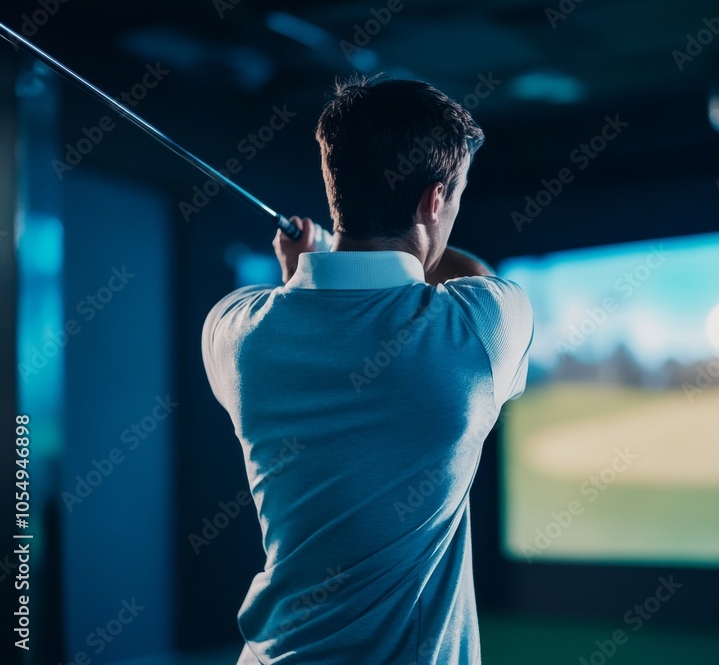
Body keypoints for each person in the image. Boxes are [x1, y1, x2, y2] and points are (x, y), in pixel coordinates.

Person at [201, 76, 533, 664]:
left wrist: (316, 266)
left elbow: (309, 325)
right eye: (453, 199)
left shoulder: (233, 331)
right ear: (435, 200)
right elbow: (472, 272)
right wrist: (331, 256)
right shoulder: (481, 328)